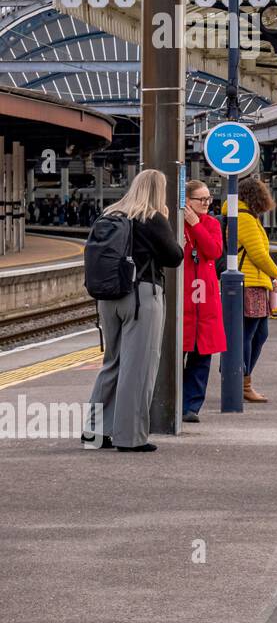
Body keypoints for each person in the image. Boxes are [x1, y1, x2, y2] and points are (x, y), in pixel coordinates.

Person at [83, 169, 183, 452]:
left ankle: (95, 433)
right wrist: (166, 219)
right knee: (138, 368)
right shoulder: (151, 217)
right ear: (157, 191)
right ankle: (131, 437)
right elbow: (175, 257)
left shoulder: (110, 214)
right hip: (141, 297)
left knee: (112, 363)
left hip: (107, 297)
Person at [181, 179, 225, 423]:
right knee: (179, 354)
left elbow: (213, 251)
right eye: (202, 199)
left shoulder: (210, 224)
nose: (207, 203)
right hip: (184, 299)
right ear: (187, 201)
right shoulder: (176, 223)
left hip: (205, 301)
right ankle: (174, 402)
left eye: (209, 199)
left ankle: (191, 406)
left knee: (201, 356)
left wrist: (196, 225)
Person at [236, 177, 277, 404]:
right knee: (247, 334)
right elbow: (258, 254)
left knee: (257, 334)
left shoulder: (248, 217)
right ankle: (241, 381)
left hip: (255, 283)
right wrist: (275, 272)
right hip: (248, 284)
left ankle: (241, 378)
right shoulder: (244, 219)